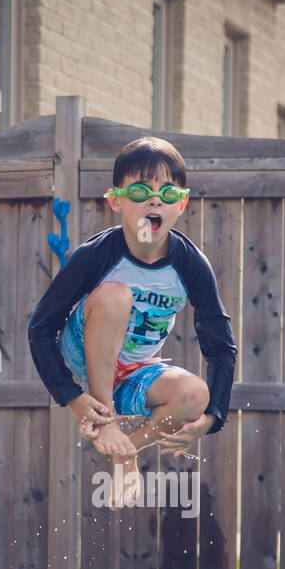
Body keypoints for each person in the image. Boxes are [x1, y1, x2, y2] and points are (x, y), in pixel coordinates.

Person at [27, 136, 237, 510]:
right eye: (140, 190)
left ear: (181, 204)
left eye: (168, 193)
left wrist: (212, 418)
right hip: (83, 352)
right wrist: (73, 399)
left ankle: (127, 452)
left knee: (195, 395)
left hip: (136, 370)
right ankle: (106, 420)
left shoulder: (190, 265)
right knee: (116, 296)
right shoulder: (96, 255)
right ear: (116, 201)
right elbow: (41, 328)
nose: (155, 200)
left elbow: (220, 345)